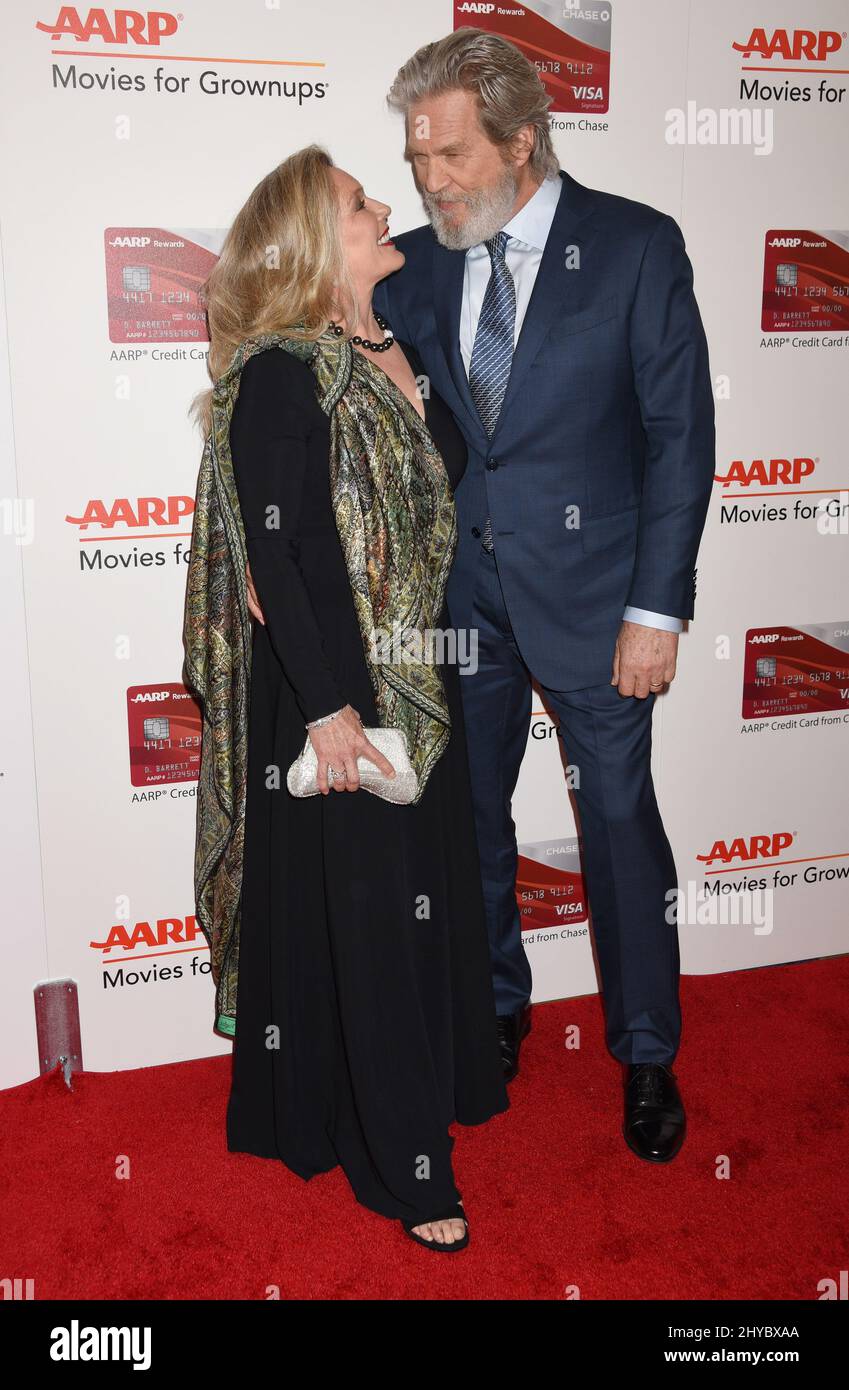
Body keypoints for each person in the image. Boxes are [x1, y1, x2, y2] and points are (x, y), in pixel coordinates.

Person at [371, 29, 716, 1163]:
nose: (429, 181)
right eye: (419, 158)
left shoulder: (633, 247)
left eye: (453, 155)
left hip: (601, 600)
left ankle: (648, 1051)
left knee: (618, 828)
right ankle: (496, 1012)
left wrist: (655, 611)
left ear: (523, 140)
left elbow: (679, 437)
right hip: (464, 601)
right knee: (468, 823)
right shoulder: (416, 265)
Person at [184, 144, 508, 1252]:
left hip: (417, 669)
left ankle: (386, 1099)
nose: (384, 209)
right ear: (319, 246)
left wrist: (408, 375)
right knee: (371, 923)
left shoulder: (390, 348)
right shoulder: (280, 374)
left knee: (409, 911)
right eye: (360, 204)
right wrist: (328, 712)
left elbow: (431, 495)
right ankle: (407, 1169)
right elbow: (278, 563)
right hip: (338, 693)